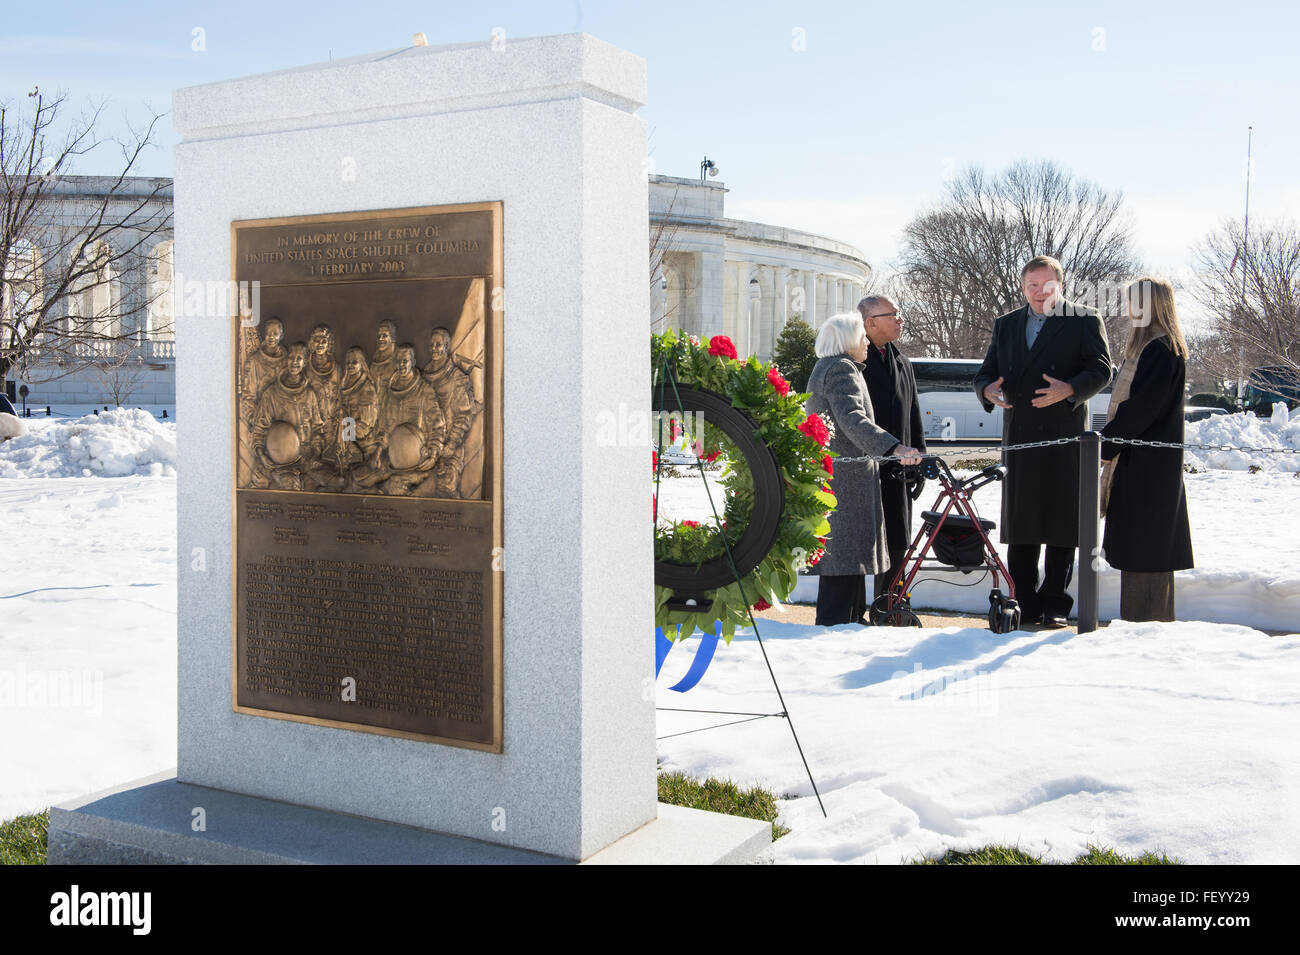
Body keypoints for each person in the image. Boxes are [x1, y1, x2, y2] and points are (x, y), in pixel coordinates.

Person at [973, 255, 1112, 627]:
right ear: (1023, 287)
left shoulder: (1084, 320)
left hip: (1064, 438)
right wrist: (988, 391)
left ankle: (1055, 604)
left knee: (1061, 523)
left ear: (1061, 286)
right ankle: (1024, 601)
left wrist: (1070, 389)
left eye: (1047, 285)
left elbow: (1101, 369)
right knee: (1022, 524)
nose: (1039, 292)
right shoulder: (1006, 325)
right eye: (1032, 285)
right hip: (1019, 438)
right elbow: (986, 373)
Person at [806, 314, 922, 626]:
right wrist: (894, 448)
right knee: (844, 563)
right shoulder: (841, 369)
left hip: (841, 477)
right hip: (847, 482)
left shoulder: (830, 367)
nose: (867, 342)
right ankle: (837, 628)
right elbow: (853, 420)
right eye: (861, 337)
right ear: (847, 340)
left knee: (846, 563)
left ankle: (846, 623)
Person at [1100, 277, 1193, 621]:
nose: (1127, 309)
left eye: (1132, 302)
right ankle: (1147, 624)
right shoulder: (1160, 347)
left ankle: (1143, 629)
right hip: (1149, 466)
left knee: (1145, 553)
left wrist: (1105, 443)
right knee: (1145, 552)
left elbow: (1140, 409)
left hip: (1147, 470)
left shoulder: (1159, 348)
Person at [857, 295, 927, 599]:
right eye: (892, 314)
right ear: (870, 323)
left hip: (900, 469)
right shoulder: (853, 360)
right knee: (861, 542)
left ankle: (890, 606)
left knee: (898, 541)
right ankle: (853, 611)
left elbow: (913, 413)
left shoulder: (902, 360)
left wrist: (920, 457)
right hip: (863, 469)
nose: (900, 319)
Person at [422, 326, 476, 498]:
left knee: (446, 496)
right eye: (432, 345)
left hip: (449, 450)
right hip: (426, 448)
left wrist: (452, 444)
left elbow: (465, 414)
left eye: (438, 344)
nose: (434, 348)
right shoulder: (423, 378)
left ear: (447, 346)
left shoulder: (457, 377)